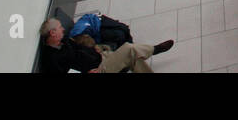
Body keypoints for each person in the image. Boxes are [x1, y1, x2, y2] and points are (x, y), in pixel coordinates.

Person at [39, 17, 173, 73]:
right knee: (128, 49)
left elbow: (80, 48)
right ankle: (154, 49)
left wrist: (94, 49)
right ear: (52, 33)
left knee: (134, 57)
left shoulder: (64, 41)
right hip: (98, 70)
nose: (63, 29)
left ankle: (151, 52)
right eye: (59, 27)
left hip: (101, 58)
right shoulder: (51, 58)